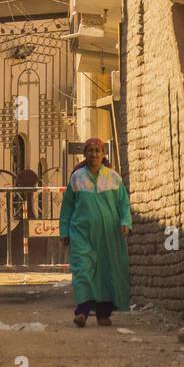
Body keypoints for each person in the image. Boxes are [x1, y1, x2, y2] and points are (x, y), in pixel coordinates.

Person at [59, 137, 131, 327]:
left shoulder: (113, 177)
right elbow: (67, 207)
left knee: (106, 272)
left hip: (108, 235)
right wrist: (64, 231)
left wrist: (125, 221)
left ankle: (103, 314)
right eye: (90, 151)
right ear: (85, 154)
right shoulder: (77, 178)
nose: (94, 154)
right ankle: (82, 311)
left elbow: (123, 203)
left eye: (97, 151)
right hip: (81, 233)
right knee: (83, 269)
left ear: (103, 154)